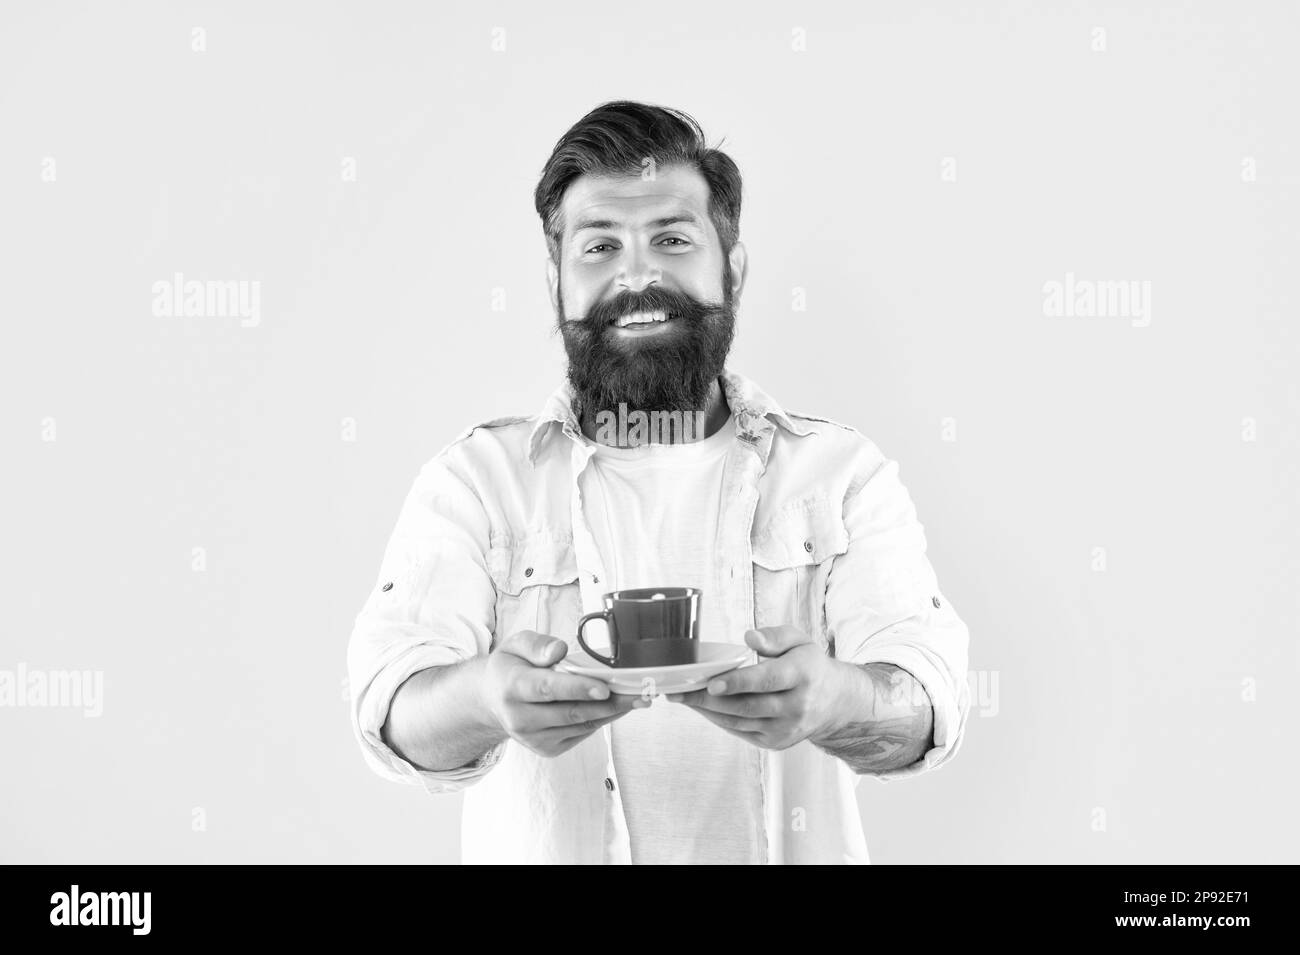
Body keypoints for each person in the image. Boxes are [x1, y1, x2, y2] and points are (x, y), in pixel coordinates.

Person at [347, 101, 971, 864]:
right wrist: (487, 699)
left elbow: (926, 704)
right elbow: (392, 709)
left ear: (732, 268)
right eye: (599, 246)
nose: (637, 274)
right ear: (557, 285)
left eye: (671, 239)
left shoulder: (839, 476)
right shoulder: (478, 483)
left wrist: (836, 698)